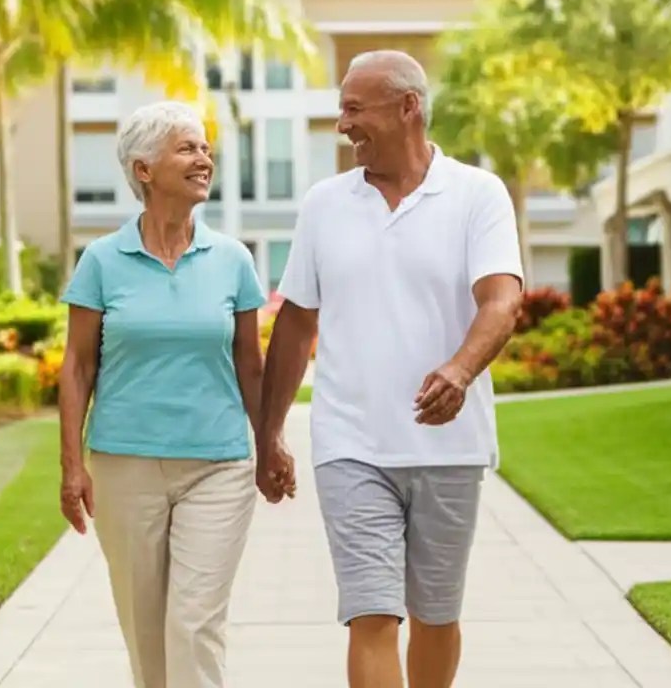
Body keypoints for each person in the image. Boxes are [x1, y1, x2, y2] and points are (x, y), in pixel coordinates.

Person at [255, 50, 525, 688]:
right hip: (351, 445)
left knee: (434, 615)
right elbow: (297, 322)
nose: (342, 123)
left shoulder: (477, 195)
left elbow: (503, 299)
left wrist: (460, 370)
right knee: (371, 613)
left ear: (408, 108)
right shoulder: (325, 204)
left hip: (449, 447)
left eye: (354, 108)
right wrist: (269, 433)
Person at [56, 100, 292, 688]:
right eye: (188, 148)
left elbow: (250, 365)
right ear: (143, 168)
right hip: (124, 465)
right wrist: (71, 467)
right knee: (146, 630)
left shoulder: (232, 259)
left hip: (217, 466)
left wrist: (270, 443)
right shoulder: (103, 261)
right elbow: (78, 367)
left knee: (194, 622)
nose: (204, 159)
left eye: (205, 148)